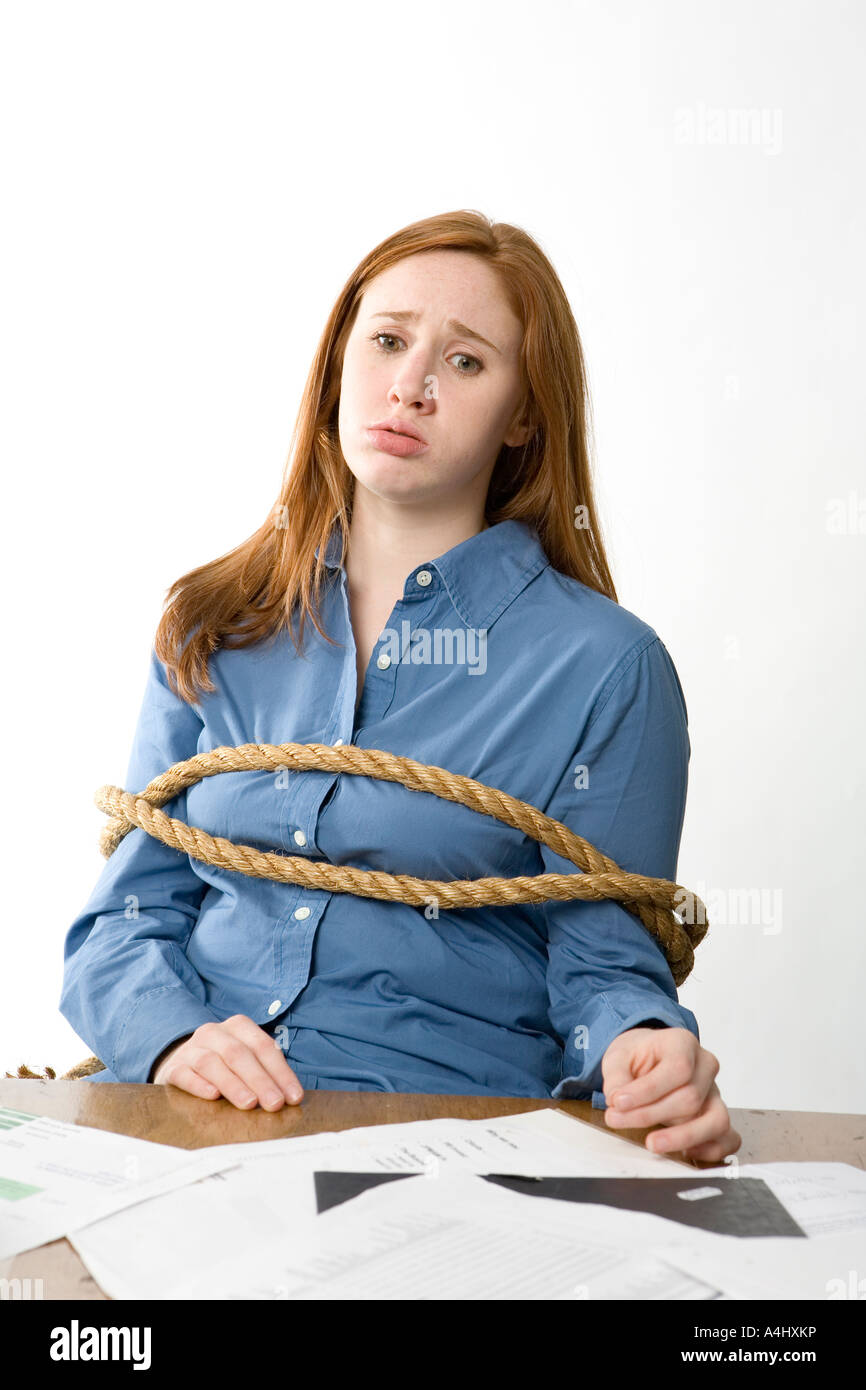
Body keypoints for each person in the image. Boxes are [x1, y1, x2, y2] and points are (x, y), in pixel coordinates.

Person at [61, 209, 740, 1161]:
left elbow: (605, 974)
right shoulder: (212, 623)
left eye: (464, 361)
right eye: (387, 341)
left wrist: (642, 1050)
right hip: (180, 1131)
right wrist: (172, 1038)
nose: (410, 386)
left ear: (524, 415)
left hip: (441, 1148)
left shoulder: (607, 667)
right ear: (340, 362)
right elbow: (123, 923)